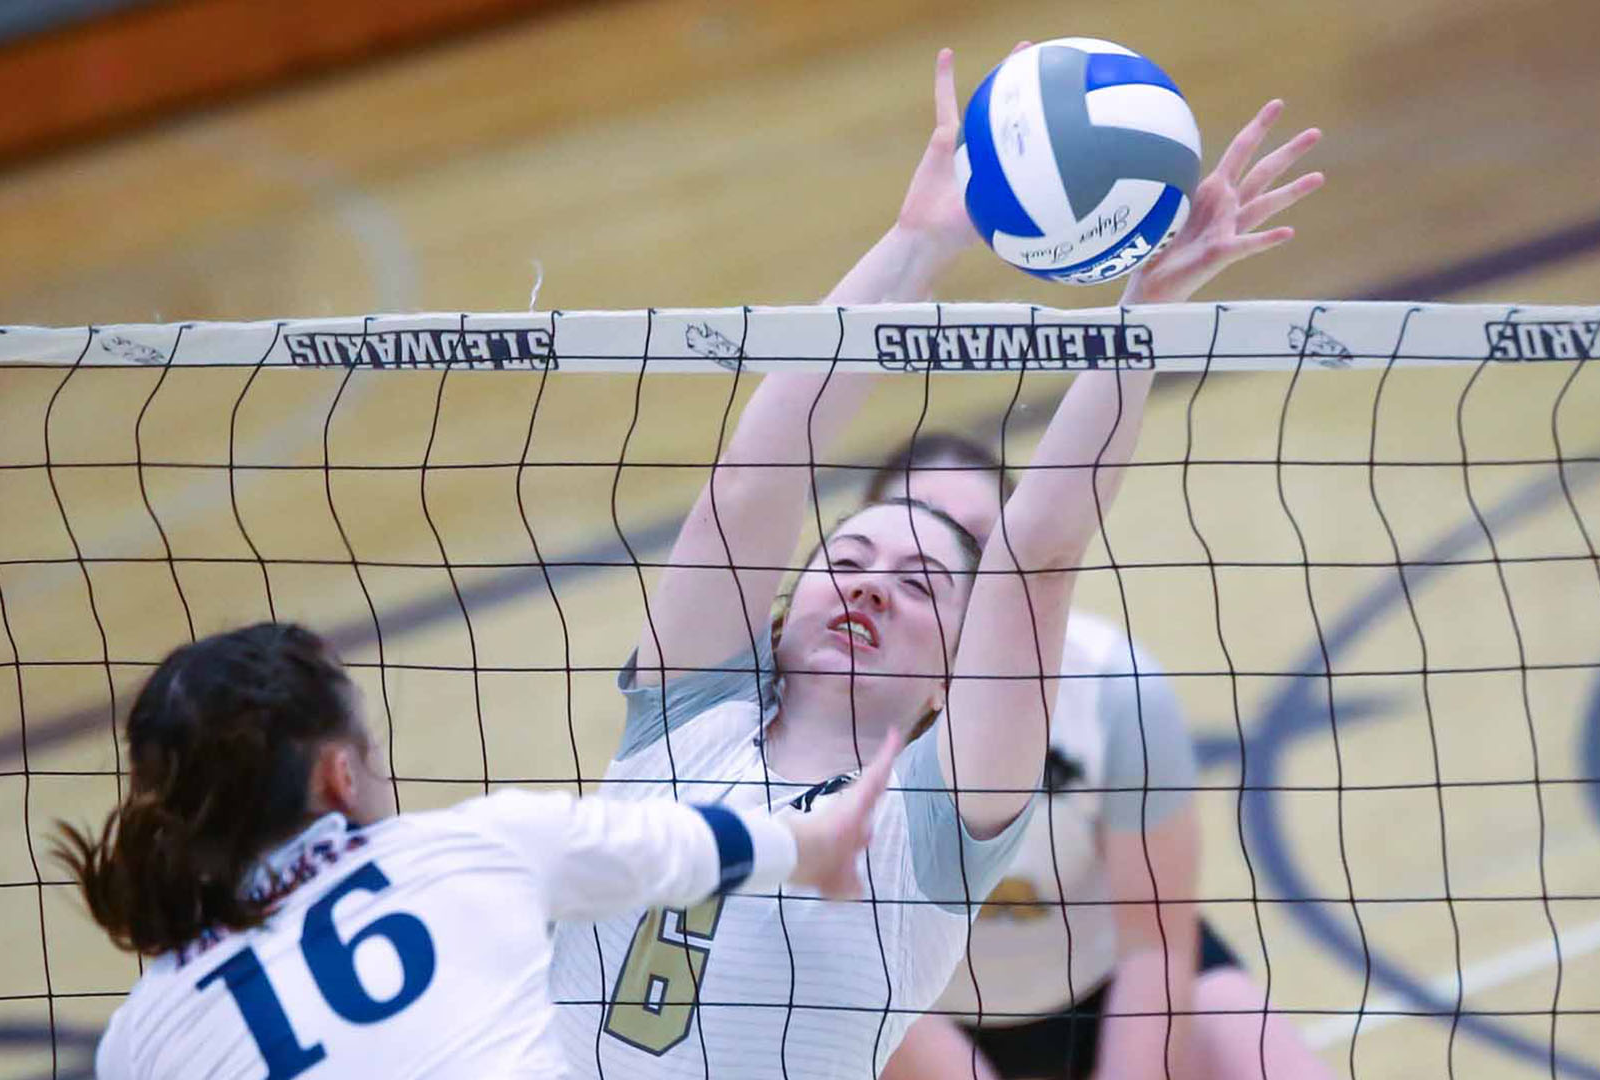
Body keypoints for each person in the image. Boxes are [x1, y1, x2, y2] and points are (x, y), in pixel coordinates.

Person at [548, 46, 1324, 1080]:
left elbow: (1037, 554)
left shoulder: (935, 824)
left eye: (920, 586)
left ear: (960, 674)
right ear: (782, 606)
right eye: (851, 554)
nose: (871, 580)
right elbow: (751, 479)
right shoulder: (688, 720)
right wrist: (917, 245)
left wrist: (1146, 320)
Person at [54, 622, 903, 1080]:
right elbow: (680, 845)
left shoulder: (143, 1036)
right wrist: (820, 845)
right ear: (340, 777)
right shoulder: (464, 851)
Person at [866, 436, 1335, 1080]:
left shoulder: (1113, 686)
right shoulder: (830, 710)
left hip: (1117, 986)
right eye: (919, 538)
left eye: (977, 536)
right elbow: (854, 965)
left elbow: (1156, 944)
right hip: (910, 1022)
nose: (947, 558)